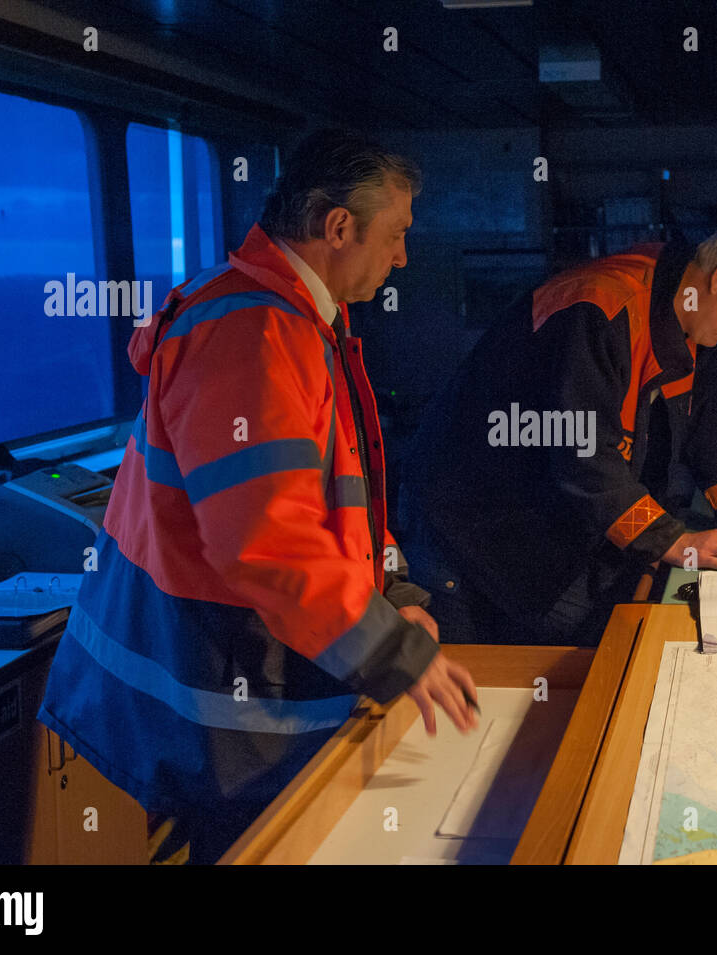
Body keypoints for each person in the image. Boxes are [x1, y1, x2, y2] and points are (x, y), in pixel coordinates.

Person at [38, 129, 478, 864]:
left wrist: (389, 589)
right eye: (397, 235)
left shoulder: (297, 321)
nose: (403, 257)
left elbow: (333, 505)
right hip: (210, 696)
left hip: (233, 675)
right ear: (339, 227)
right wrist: (392, 648)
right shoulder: (254, 334)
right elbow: (267, 542)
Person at [400, 227, 717, 647]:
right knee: (475, 689)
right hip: (471, 521)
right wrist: (671, 540)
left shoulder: (688, 314)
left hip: (549, 517)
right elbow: (582, 455)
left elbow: (710, 430)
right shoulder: (599, 307)